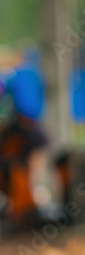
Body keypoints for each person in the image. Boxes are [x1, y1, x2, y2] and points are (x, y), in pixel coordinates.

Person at [0, 82, 46, 235]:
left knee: (18, 174)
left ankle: (22, 218)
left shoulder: (24, 124)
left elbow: (39, 147)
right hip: (5, 171)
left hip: (20, 171)